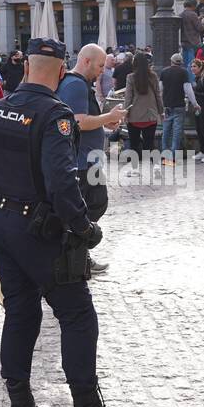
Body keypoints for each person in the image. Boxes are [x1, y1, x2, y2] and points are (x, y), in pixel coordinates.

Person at [0, 37, 140, 407]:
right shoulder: (55, 115)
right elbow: (62, 182)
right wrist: (83, 228)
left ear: (26, 68)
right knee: (78, 315)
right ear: (61, 71)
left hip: (3, 228)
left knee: (20, 314)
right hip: (42, 233)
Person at [58, 43, 125, 274]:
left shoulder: (77, 83)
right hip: (82, 162)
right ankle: (71, 255)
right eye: (99, 66)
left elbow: (83, 119)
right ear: (86, 61)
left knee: (91, 206)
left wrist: (105, 121)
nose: (102, 71)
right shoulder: (76, 84)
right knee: (93, 205)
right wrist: (109, 115)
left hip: (86, 160)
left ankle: (77, 255)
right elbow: (77, 121)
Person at [124, 52, 162, 177]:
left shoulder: (130, 77)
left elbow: (128, 98)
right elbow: (158, 95)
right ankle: (156, 166)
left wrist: (125, 113)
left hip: (134, 116)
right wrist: (160, 111)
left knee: (134, 143)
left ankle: (135, 170)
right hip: (151, 115)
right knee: (149, 143)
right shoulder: (153, 76)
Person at [159, 53, 198, 165]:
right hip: (179, 106)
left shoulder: (164, 71)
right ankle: (173, 158)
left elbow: (159, 89)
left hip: (167, 106)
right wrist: (195, 104)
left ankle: (164, 157)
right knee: (176, 133)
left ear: (171, 61)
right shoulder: (184, 72)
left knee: (165, 132)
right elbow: (188, 89)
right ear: (181, 62)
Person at [180, 0, 204, 72]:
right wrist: (202, 22)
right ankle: (191, 81)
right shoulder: (193, 14)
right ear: (193, 5)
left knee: (185, 63)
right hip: (193, 42)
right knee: (192, 65)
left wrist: (198, 19)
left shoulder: (181, 14)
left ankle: (186, 80)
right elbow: (200, 28)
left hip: (184, 42)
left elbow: (188, 24)